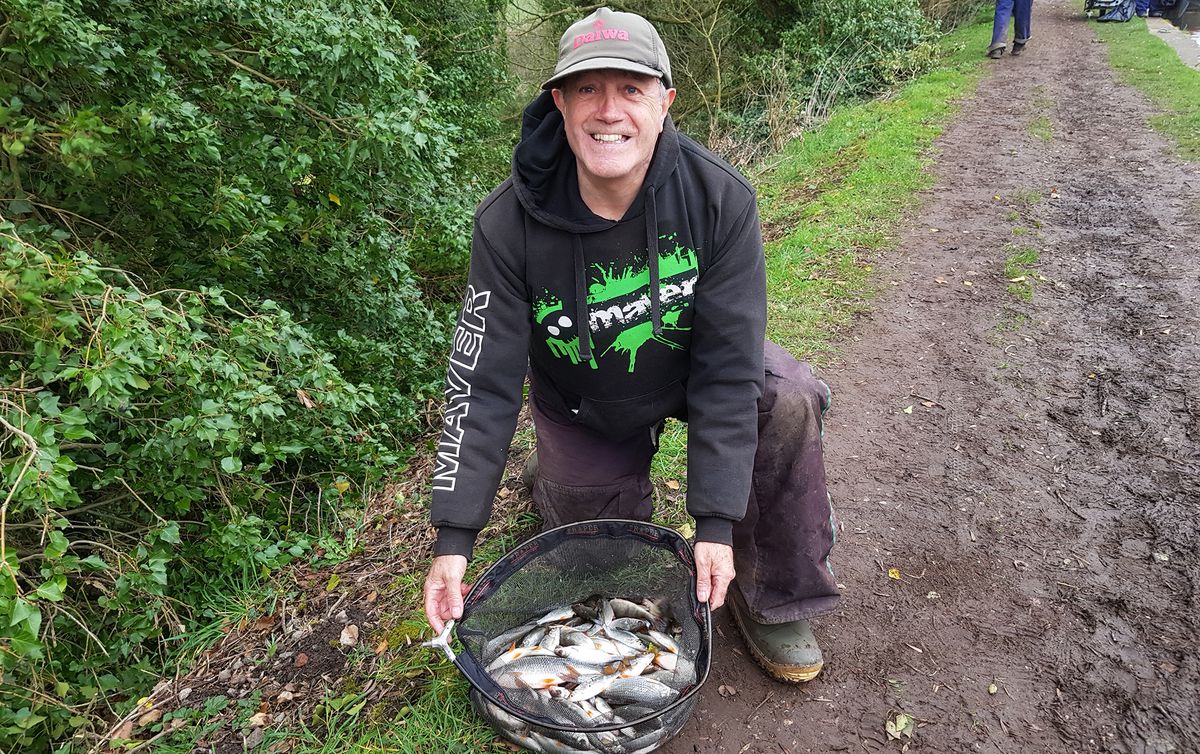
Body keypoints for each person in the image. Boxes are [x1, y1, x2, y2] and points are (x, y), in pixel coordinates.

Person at [422, 7, 839, 683]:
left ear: (665, 101)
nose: (607, 110)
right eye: (587, 88)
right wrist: (453, 539)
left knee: (785, 399)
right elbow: (483, 383)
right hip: (585, 401)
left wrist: (714, 525)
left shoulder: (719, 198)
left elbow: (728, 367)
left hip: (691, 370)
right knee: (597, 576)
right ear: (558, 102)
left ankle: (776, 596)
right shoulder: (505, 224)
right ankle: (560, 479)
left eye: (631, 88)